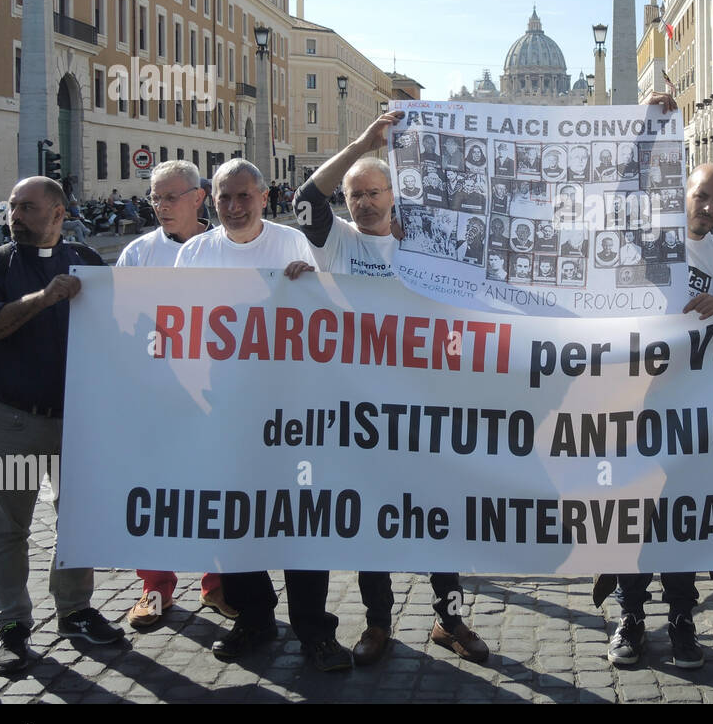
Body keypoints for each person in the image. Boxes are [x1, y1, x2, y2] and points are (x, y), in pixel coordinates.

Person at [293, 113, 489, 665]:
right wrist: (359, 143)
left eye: (374, 192)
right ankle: (379, 624)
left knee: (440, 521)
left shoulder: (426, 245)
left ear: (393, 194)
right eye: (355, 195)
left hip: (429, 407)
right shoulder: (336, 244)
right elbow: (307, 199)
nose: (364, 203)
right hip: (362, 410)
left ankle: (450, 619)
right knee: (372, 522)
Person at [175, 159, 351, 670]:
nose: (233, 207)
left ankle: (314, 628)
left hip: (291, 412)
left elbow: (325, 313)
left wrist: (310, 282)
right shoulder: (194, 253)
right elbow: (176, 327)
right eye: (224, 198)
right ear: (212, 200)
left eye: (243, 197)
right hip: (223, 409)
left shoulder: (293, 243)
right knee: (234, 518)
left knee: (299, 520)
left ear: (263, 196)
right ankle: (253, 616)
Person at [0, 176, 124, 674]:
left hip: (79, 422)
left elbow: (123, 323)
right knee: (9, 529)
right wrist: (44, 299)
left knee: (78, 521)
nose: (14, 214)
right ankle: (12, 624)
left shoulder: (88, 260)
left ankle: (74, 610)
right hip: (13, 423)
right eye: (12, 206)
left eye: (27, 207)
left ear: (57, 212)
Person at [606, 164, 713, 670]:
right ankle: (631, 617)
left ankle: (682, 620)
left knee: (679, 519)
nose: (707, 209)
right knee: (631, 519)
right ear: (681, 194)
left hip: (686, 411)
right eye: (700, 197)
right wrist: (648, 116)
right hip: (628, 404)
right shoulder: (644, 235)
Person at [118, 162, 238, 630]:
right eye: (155, 198)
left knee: (221, 488)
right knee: (154, 489)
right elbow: (119, 321)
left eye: (170, 197)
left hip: (220, 394)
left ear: (198, 198)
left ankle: (219, 582)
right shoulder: (137, 253)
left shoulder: (228, 247)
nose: (161, 207)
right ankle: (154, 586)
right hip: (156, 396)